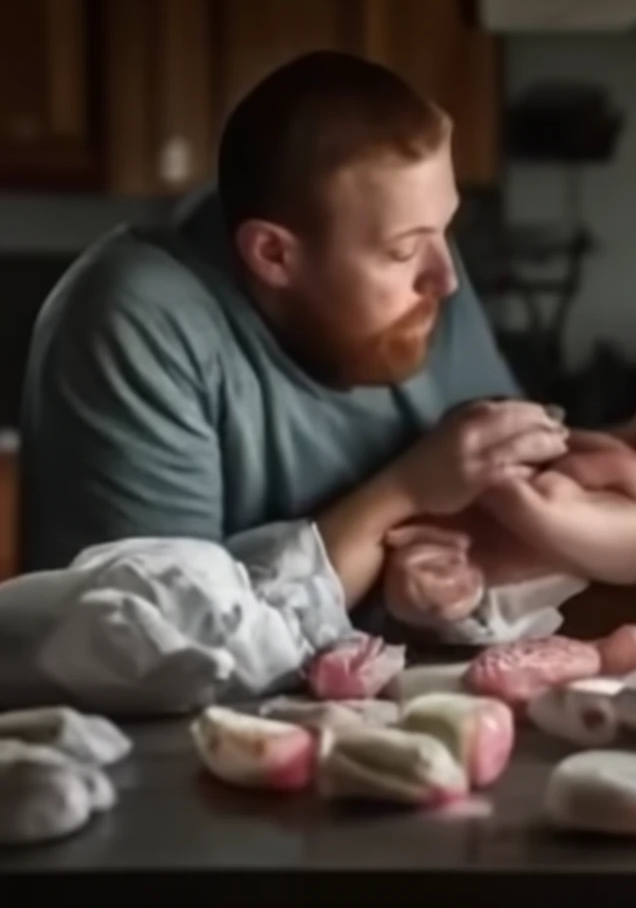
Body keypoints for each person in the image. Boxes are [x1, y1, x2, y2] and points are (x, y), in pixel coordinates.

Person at [18, 51, 570, 631]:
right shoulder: (139, 320)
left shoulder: (418, 272)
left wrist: (635, 447)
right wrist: (407, 490)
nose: (445, 278)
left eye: (445, 229)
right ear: (274, 254)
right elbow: (159, 641)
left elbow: (508, 482)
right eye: (404, 250)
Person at [383, 377, 636, 633]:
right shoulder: (584, 436)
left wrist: (479, 455)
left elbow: (543, 510)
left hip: (439, 581)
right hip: (413, 516)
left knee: (417, 589)